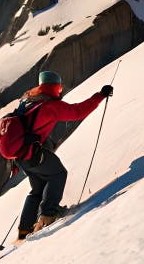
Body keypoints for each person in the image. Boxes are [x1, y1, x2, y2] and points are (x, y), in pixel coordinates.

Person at [14, 71, 113, 239]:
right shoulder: (49, 105)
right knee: (58, 174)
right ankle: (48, 216)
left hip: (20, 156)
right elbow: (77, 112)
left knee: (37, 189)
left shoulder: (29, 102)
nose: (60, 91)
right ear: (55, 87)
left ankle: (24, 229)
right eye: (59, 88)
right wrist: (100, 95)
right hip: (33, 154)